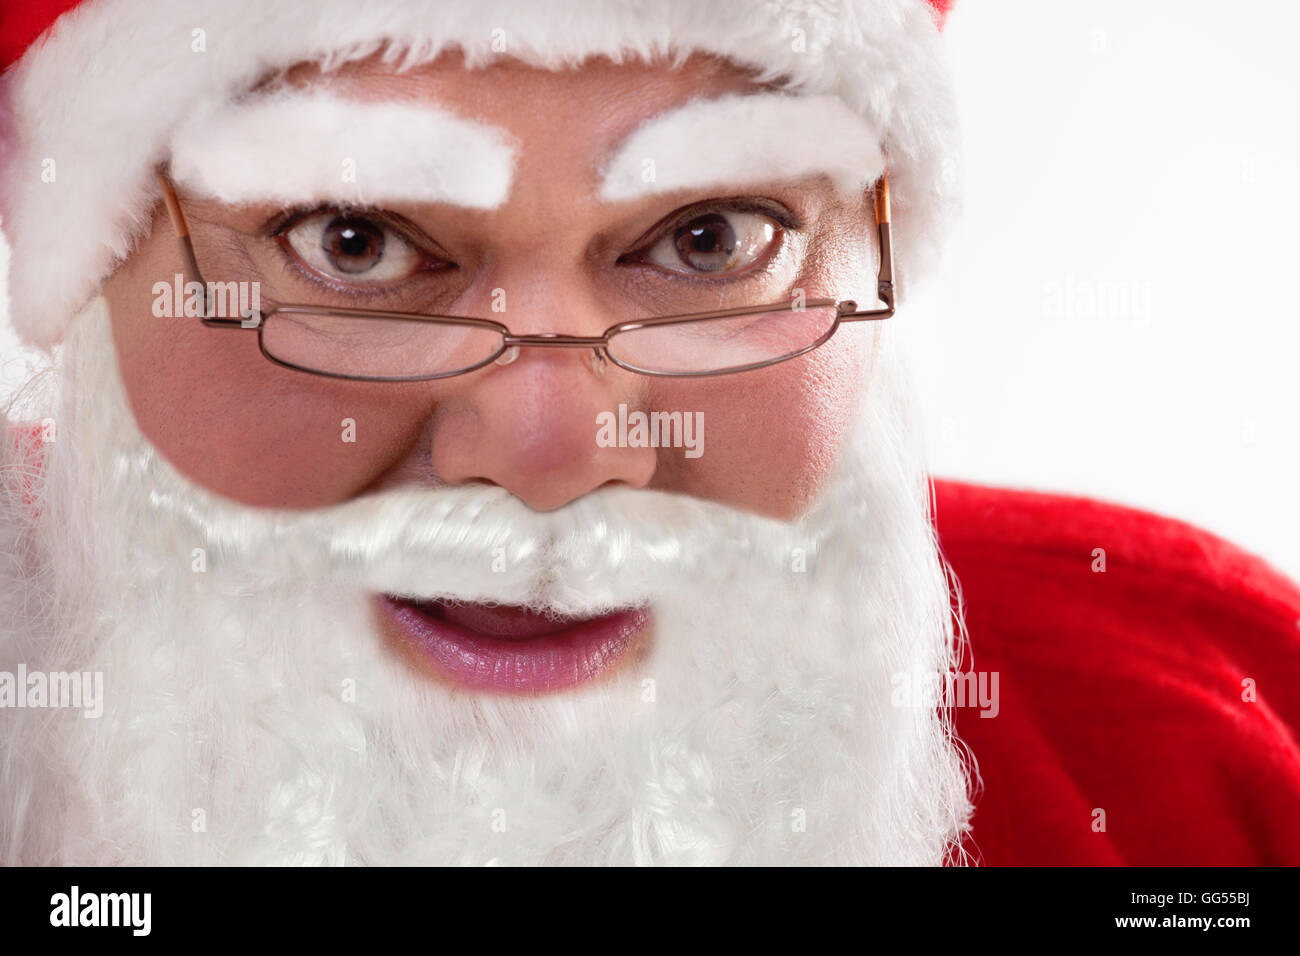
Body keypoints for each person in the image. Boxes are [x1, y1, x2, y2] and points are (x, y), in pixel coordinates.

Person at [1, 0, 1297, 866]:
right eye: (355, 242)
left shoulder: (1203, 731)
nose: (553, 449)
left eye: (710, 239)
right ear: (93, 280)